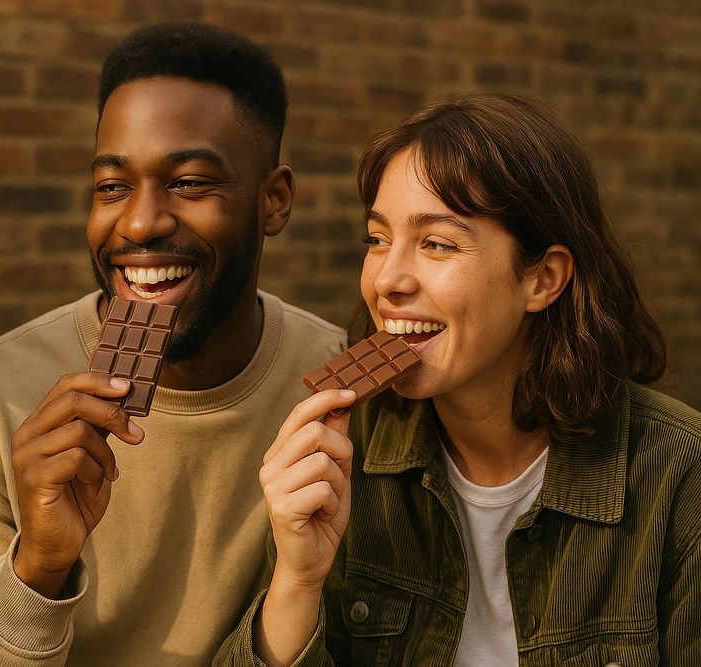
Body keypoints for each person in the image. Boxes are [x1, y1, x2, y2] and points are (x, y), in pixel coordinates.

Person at [0, 21, 346, 666]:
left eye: (190, 183)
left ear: (274, 201)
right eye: (112, 187)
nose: (139, 222)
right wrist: (38, 568)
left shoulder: (336, 394)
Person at [216, 92, 701, 665]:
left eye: (436, 244)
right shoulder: (347, 458)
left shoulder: (677, 476)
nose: (387, 279)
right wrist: (298, 580)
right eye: (377, 239)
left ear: (543, 279)